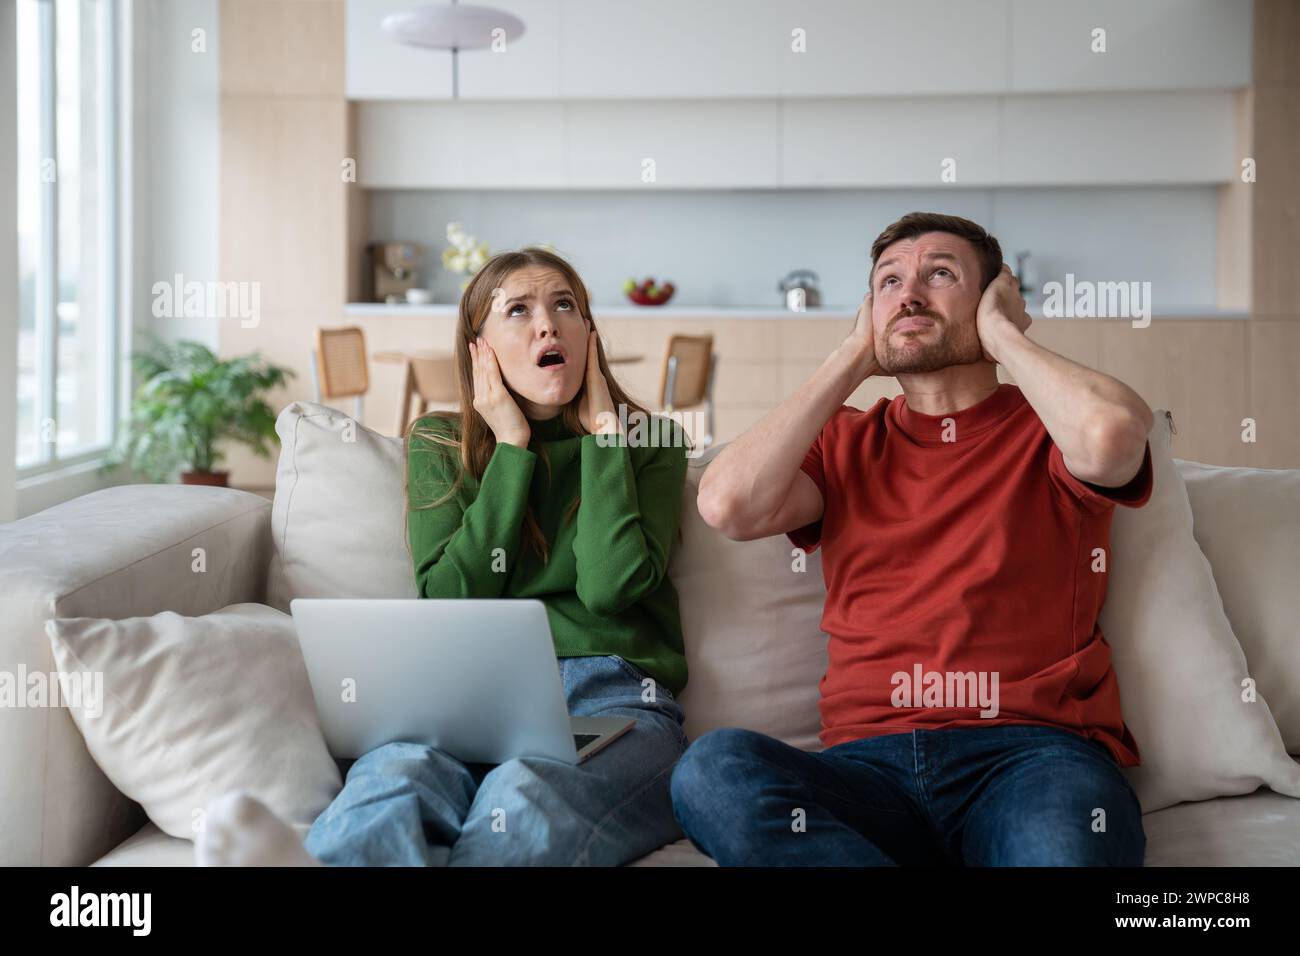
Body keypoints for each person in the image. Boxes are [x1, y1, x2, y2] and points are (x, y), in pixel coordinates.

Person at [672, 212, 1154, 866]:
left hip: (1030, 758)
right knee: (713, 768)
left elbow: (1113, 439)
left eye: (941, 274)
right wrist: (849, 357)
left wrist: (1004, 336)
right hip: (868, 770)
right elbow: (727, 504)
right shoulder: (843, 440)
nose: (909, 293)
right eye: (889, 281)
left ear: (993, 298)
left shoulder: (1050, 428)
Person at [196, 247, 691, 866]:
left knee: (527, 794)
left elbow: (607, 588)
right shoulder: (438, 442)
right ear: (479, 349)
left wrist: (605, 441)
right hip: (467, 694)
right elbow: (450, 601)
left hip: (615, 699)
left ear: (588, 333)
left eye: (565, 305)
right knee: (395, 777)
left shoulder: (652, 443)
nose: (548, 324)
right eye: (519, 310)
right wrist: (512, 448)